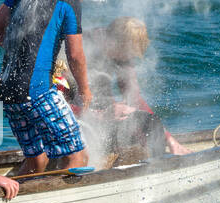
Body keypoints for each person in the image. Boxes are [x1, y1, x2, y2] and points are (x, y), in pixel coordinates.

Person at [0, 0, 96, 176]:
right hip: (38, 92)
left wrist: (22, 54)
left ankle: (17, 198)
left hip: (9, 92)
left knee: (38, 160)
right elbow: (75, 55)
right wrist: (84, 90)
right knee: (77, 156)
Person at [56, 16, 188, 157]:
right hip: (72, 119)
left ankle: (153, 166)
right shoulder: (79, 49)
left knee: (149, 123)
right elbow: (56, 103)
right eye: (128, 53)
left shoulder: (119, 55)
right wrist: (99, 115)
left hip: (98, 112)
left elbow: (134, 97)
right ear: (117, 43)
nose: (128, 59)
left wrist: (168, 138)